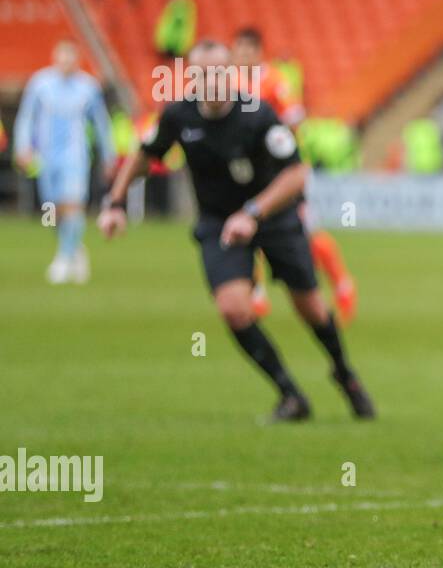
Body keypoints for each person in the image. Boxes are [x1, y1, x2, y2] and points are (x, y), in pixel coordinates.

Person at [98, 39, 374, 423]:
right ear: (190, 76)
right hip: (218, 223)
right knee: (233, 308)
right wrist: (115, 202)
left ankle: (344, 374)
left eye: (217, 73)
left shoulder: (256, 114)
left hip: (273, 216)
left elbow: (296, 174)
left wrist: (253, 212)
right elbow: (145, 155)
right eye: (201, 74)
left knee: (310, 307)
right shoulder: (179, 115)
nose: (210, 81)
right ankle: (291, 395)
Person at [231, 27, 356, 324]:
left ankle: (342, 282)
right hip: (248, 172)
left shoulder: (275, 81)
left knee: (307, 231)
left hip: (281, 172)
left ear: (258, 52)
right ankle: (257, 295)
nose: (243, 56)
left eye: (248, 50)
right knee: (247, 225)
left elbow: (294, 121)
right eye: (238, 50)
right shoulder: (231, 83)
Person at [13, 40, 115, 284]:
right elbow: (26, 118)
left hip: (75, 156)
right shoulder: (40, 84)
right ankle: (73, 247)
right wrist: (22, 147)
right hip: (45, 158)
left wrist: (108, 155)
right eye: (62, 58)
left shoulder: (87, 87)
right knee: (51, 211)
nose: (66, 64)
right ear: (55, 58)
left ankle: (63, 258)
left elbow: (101, 124)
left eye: (71, 59)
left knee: (72, 205)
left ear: (77, 60)